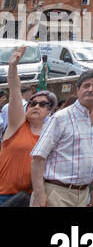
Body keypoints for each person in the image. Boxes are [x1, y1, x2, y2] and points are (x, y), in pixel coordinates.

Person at [29, 69, 93, 208]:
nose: (90, 89)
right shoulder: (61, 118)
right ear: (78, 90)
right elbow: (37, 158)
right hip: (56, 193)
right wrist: (39, 194)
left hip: (84, 194)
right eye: (86, 85)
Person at [0, 47, 53, 204]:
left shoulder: (51, 133)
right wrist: (12, 66)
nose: (36, 106)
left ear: (50, 111)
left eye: (43, 104)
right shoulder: (18, 125)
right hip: (4, 195)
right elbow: (15, 90)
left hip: (32, 197)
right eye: (32, 103)